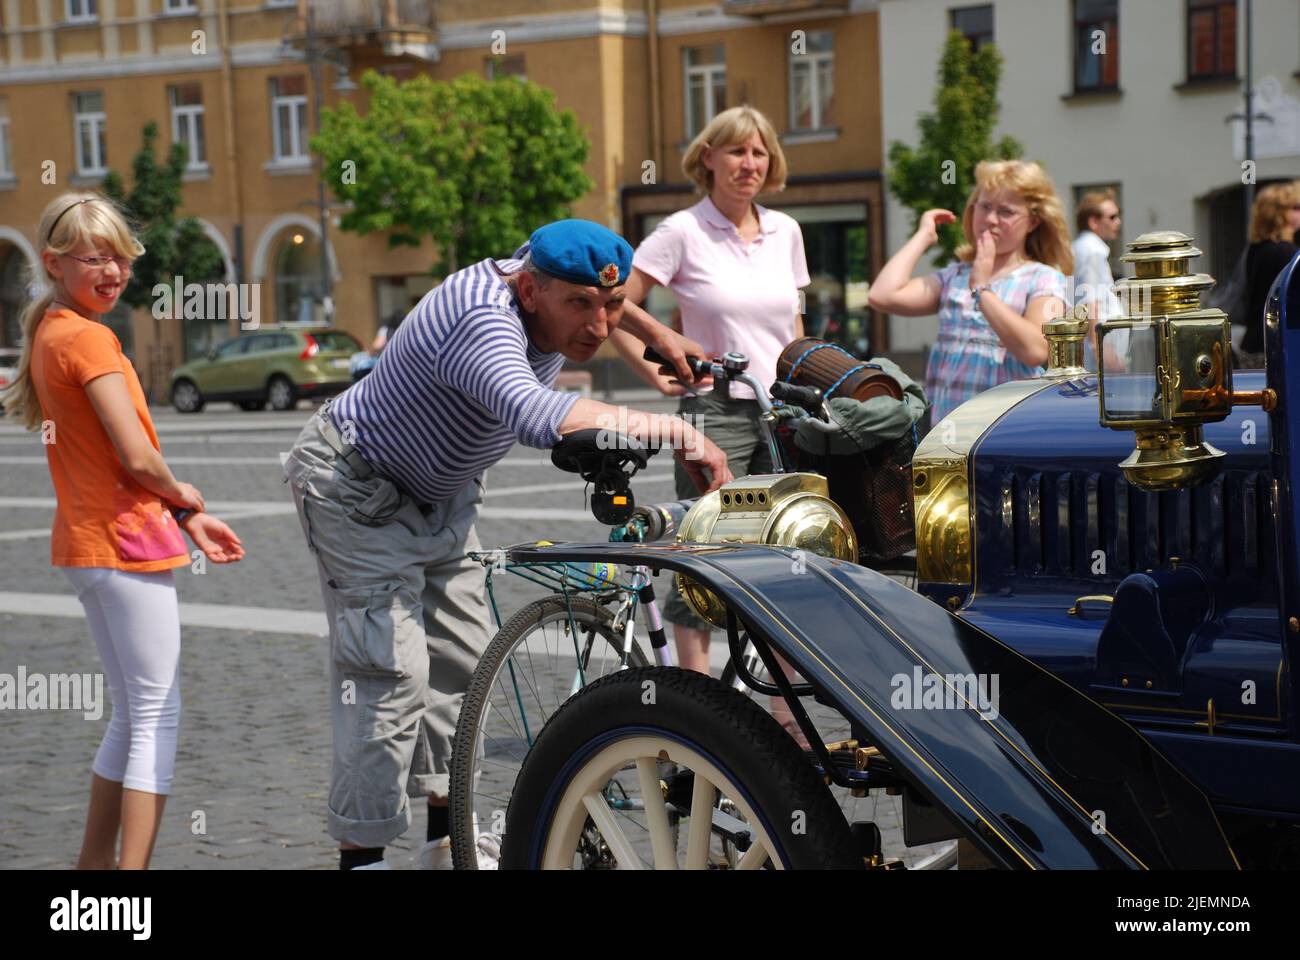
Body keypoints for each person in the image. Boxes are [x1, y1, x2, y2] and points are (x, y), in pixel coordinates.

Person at [282, 219, 732, 870]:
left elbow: (604, 294)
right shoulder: (481, 318)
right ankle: (364, 859)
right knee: (388, 678)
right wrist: (676, 433)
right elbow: (534, 414)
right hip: (357, 494)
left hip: (445, 496)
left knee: (462, 665)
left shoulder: (548, 278)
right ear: (527, 291)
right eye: (579, 307)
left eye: (608, 307)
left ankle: (444, 841)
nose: (598, 326)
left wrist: (655, 331)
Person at [1, 192, 245, 869]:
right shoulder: (88, 337)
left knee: (131, 715)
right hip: (121, 544)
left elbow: (116, 457)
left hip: (91, 545)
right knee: (156, 715)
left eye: (121, 258)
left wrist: (187, 517)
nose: (113, 271)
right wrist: (187, 498)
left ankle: (93, 874)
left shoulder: (52, 329)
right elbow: (135, 455)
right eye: (95, 258)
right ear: (53, 262)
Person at [605, 104, 810, 678]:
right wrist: (653, 368)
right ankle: (694, 701)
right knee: (703, 549)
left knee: (781, 549)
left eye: (759, 152)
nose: (749, 163)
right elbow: (617, 304)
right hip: (713, 411)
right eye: (737, 151)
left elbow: (793, 325)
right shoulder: (682, 231)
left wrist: (802, 386)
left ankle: (781, 704)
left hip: (781, 412)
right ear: (708, 159)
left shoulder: (786, 232)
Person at [868, 160, 1072, 424]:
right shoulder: (955, 275)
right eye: (984, 207)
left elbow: (1035, 349)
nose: (990, 220)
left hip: (1006, 432)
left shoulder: (1044, 279)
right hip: (947, 437)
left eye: (1006, 212)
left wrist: (982, 289)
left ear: (1033, 221)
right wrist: (924, 237)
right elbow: (882, 295)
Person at [1238, 182, 1300, 368]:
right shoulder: (1288, 253)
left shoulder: (1256, 249)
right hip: (1276, 343)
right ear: (1279, 214)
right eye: (1295, 208)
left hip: (1252, 342)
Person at [1071, 189, 1125, 370]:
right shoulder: (1091, 250)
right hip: (1101, 346)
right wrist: (1101, 350)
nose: (1118, 222)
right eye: (1112, 217)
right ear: (1093, 222)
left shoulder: (1085, 247)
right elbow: (1089, 301)